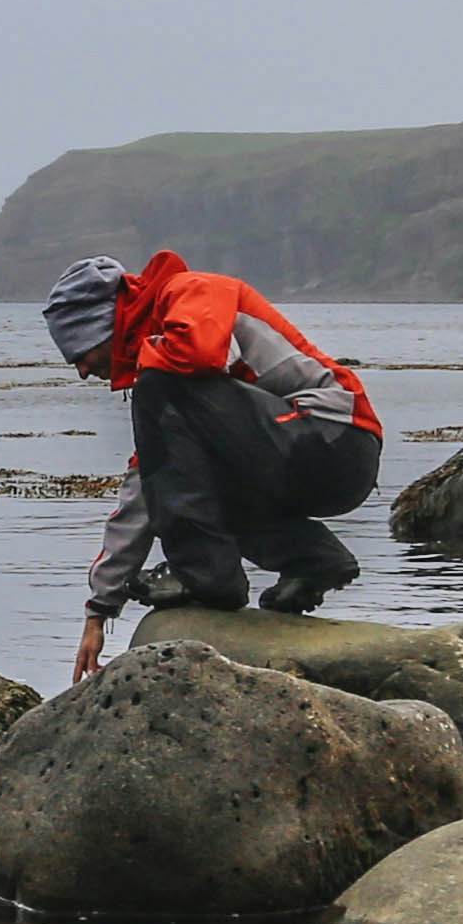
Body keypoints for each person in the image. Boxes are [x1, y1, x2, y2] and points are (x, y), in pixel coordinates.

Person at [44, 249, 384, 681]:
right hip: (306, 456)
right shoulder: (170, 381)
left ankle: (205, 578)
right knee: (190, 478)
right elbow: (147, 487)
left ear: (107, 324)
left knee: (157, 388)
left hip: (334, 437)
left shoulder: (189, 293)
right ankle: (312, 560)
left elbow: (201, 352)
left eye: (81, 350)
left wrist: (148, 370)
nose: (81, 369)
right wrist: (99, 610)